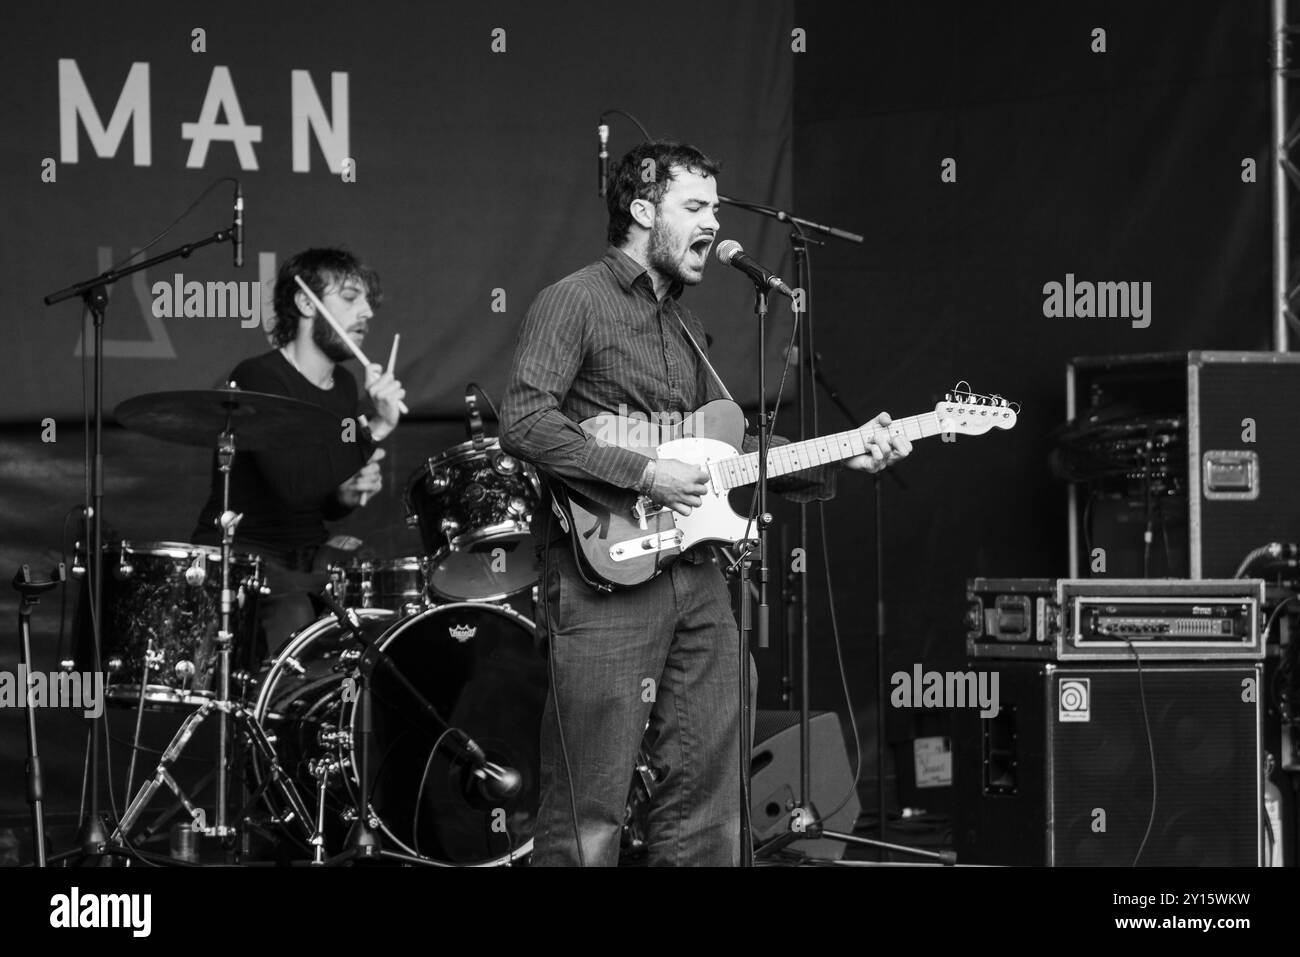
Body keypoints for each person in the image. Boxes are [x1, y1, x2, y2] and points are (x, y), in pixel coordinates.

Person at [500, 141, 910, 866]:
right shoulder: (574, 300)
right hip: (605, 582)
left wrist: (844, 448)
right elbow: (526, 421)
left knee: (707, 809)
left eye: (715, 208)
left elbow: (728, 445)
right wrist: (641, 475)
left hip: (696, 578)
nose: (713, 224)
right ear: (639, 211)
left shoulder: (685, 327)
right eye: (695, 207)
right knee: (588, 808)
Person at [192, 247, 406, 659]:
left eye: (367, 301)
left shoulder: (343, 386)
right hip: (246, 561)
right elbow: (293, 486)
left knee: (380, 619)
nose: (366, 312)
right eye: (349, 298)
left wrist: (343, 496)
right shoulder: (258, 377)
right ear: (305, 302)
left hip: (308, 559)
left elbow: (315, 496)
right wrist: (373, 429)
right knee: (293, 620)